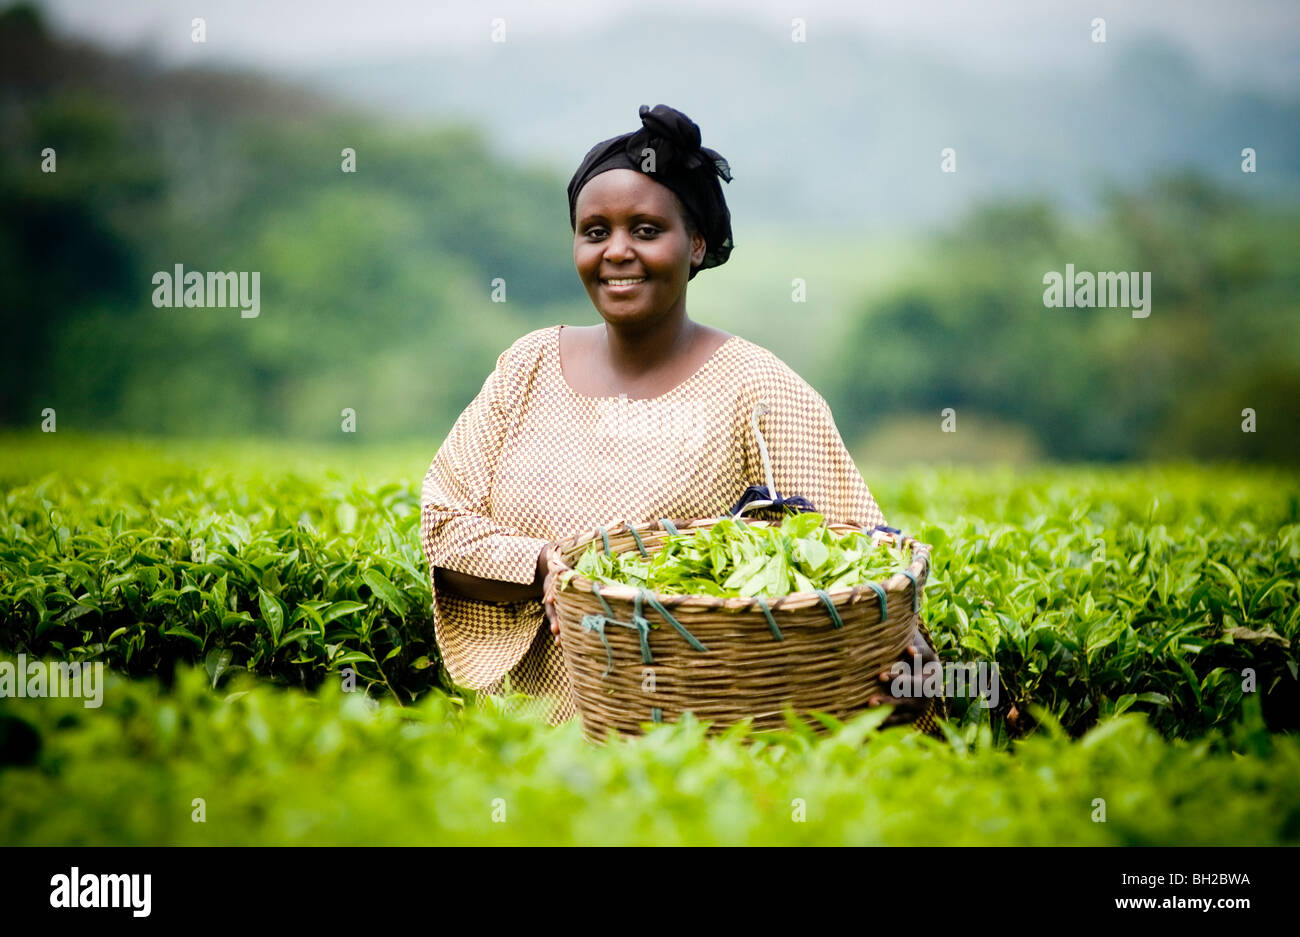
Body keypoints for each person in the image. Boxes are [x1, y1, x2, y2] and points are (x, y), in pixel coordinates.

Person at [419, 104, 946, 734]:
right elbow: (444, 530)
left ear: (695, 244)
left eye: (645, 230)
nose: (616, 251)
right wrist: (549, 571)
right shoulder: (527, 367)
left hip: (691, 766)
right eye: (595, 232)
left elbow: (855, 561)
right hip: (520, 757)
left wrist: (905, 652)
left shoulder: (759, 389)